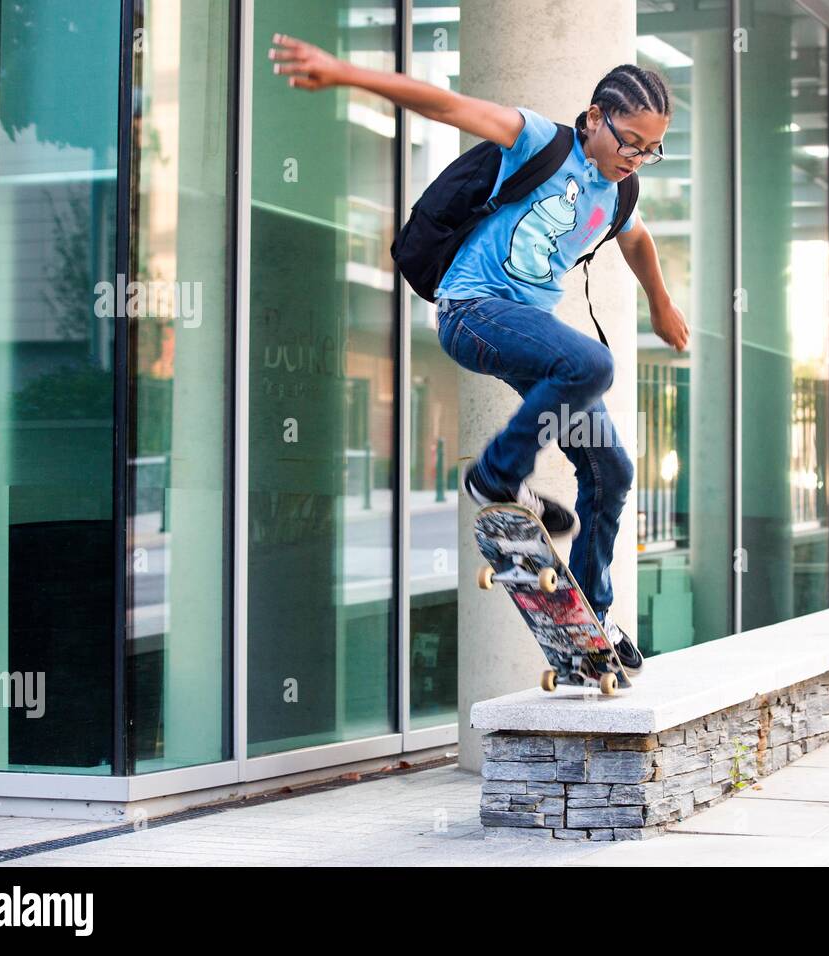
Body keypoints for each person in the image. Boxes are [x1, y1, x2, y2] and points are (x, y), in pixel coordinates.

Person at [269, 35, 689, 675]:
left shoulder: (620, 194)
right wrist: (344, 73)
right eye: (627, 140)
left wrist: (660, 302)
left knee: (612, 471)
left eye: (649, 149)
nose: (634, 157)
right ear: (596, 119)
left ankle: (592, 626)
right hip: (472, 315)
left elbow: (638, 243)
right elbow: (443, 104)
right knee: (591, 366)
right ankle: (496, 474)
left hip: (523, 341)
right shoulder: (539, 140)